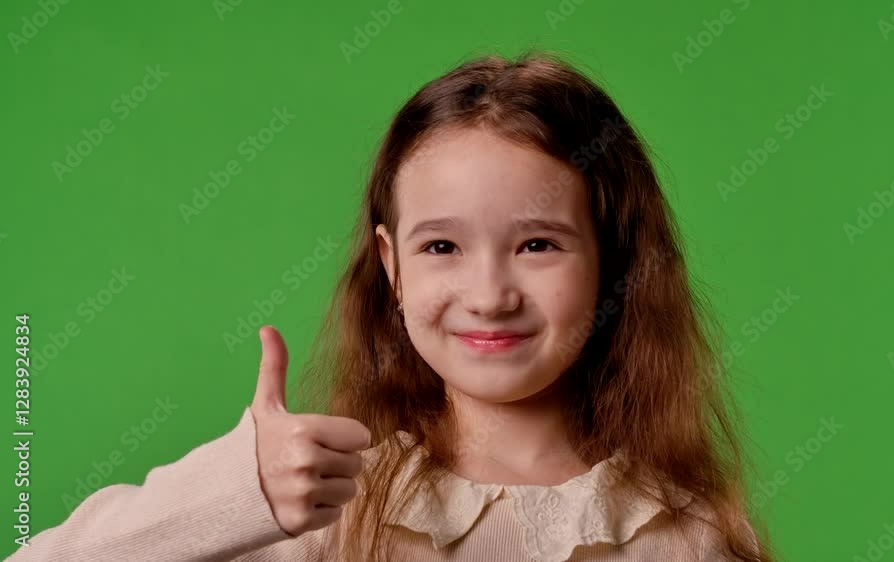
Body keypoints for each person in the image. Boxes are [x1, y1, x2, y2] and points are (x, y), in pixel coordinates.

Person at [8, 52, 773, 561]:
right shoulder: (322, 513)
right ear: (391, 268)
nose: (489, 295)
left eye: (538, 245)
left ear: (613, 261)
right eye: (442, 247)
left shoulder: (687, 532)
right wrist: (237, 491)